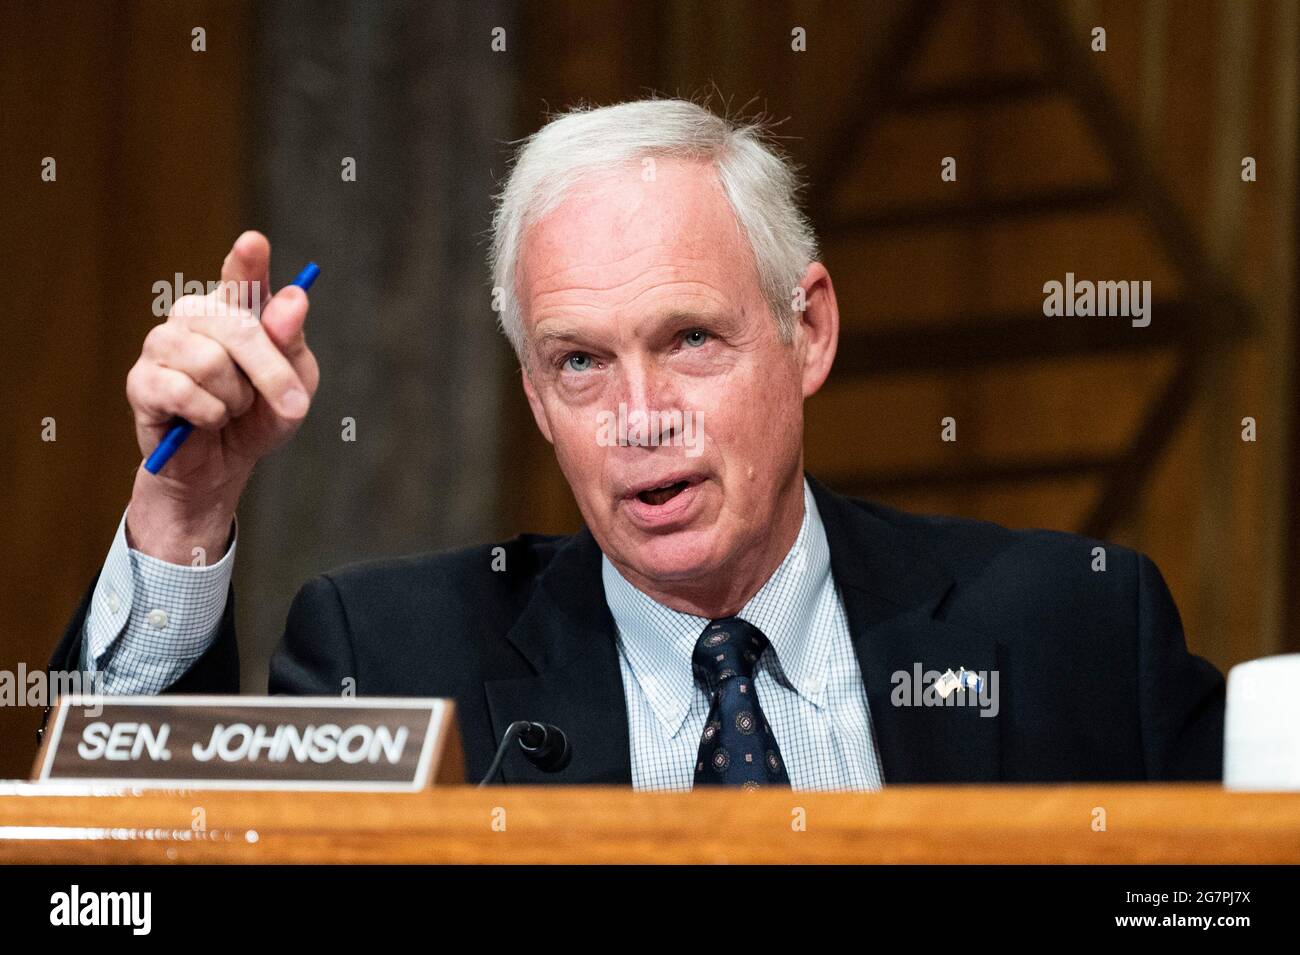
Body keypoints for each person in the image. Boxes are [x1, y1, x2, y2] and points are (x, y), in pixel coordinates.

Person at [48, 99, 1224, 789]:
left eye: (692, 337)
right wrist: (185, 514)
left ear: (805, 330)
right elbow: (130, 889)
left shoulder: (1074, 631)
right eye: (580, 361)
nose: (641, 414)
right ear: (533, 394)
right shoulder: (396, 653)